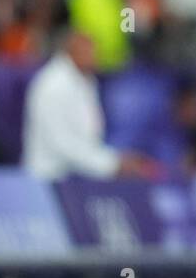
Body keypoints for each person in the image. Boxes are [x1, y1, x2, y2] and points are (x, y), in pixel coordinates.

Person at [22, 30, 159, 181]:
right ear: (72, 52)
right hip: (48, 178)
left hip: (82, 175)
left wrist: (116, 160)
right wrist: (112, 164)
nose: (95, 58)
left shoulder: (87, 80)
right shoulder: (52, 85)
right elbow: (61, 144)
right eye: (89, 52)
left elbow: (91, 137)